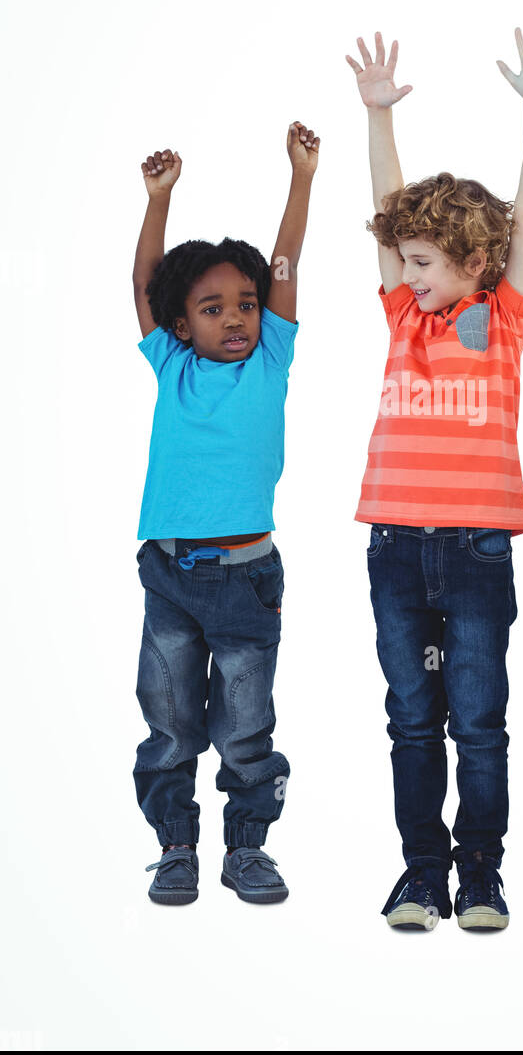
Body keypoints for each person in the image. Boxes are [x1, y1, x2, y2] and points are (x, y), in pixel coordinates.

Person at [346, 24, 523, 930]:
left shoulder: (503, 317)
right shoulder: (405, 316)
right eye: (402, 261)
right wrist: (377, 116)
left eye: (424, 262)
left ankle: (481, 871)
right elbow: (388, 202)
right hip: (396, 547)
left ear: (473, 264)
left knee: (477, 722)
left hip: (476, 552)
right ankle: (420, 874)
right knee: (410, 721)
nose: (407, 273)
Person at [131, 121, 319, 905]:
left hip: (247, 580)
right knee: (171, 722)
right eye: (213, 309)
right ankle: (177, 846)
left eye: (245, 305)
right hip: (171, 575)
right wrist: (158, 202)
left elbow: (285, 267)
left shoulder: (270, 359)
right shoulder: (171, 364)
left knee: (245, 729)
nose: (237, 318)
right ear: (181, 325)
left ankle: (247, 848)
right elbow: (145, 283)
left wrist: (301, 178)